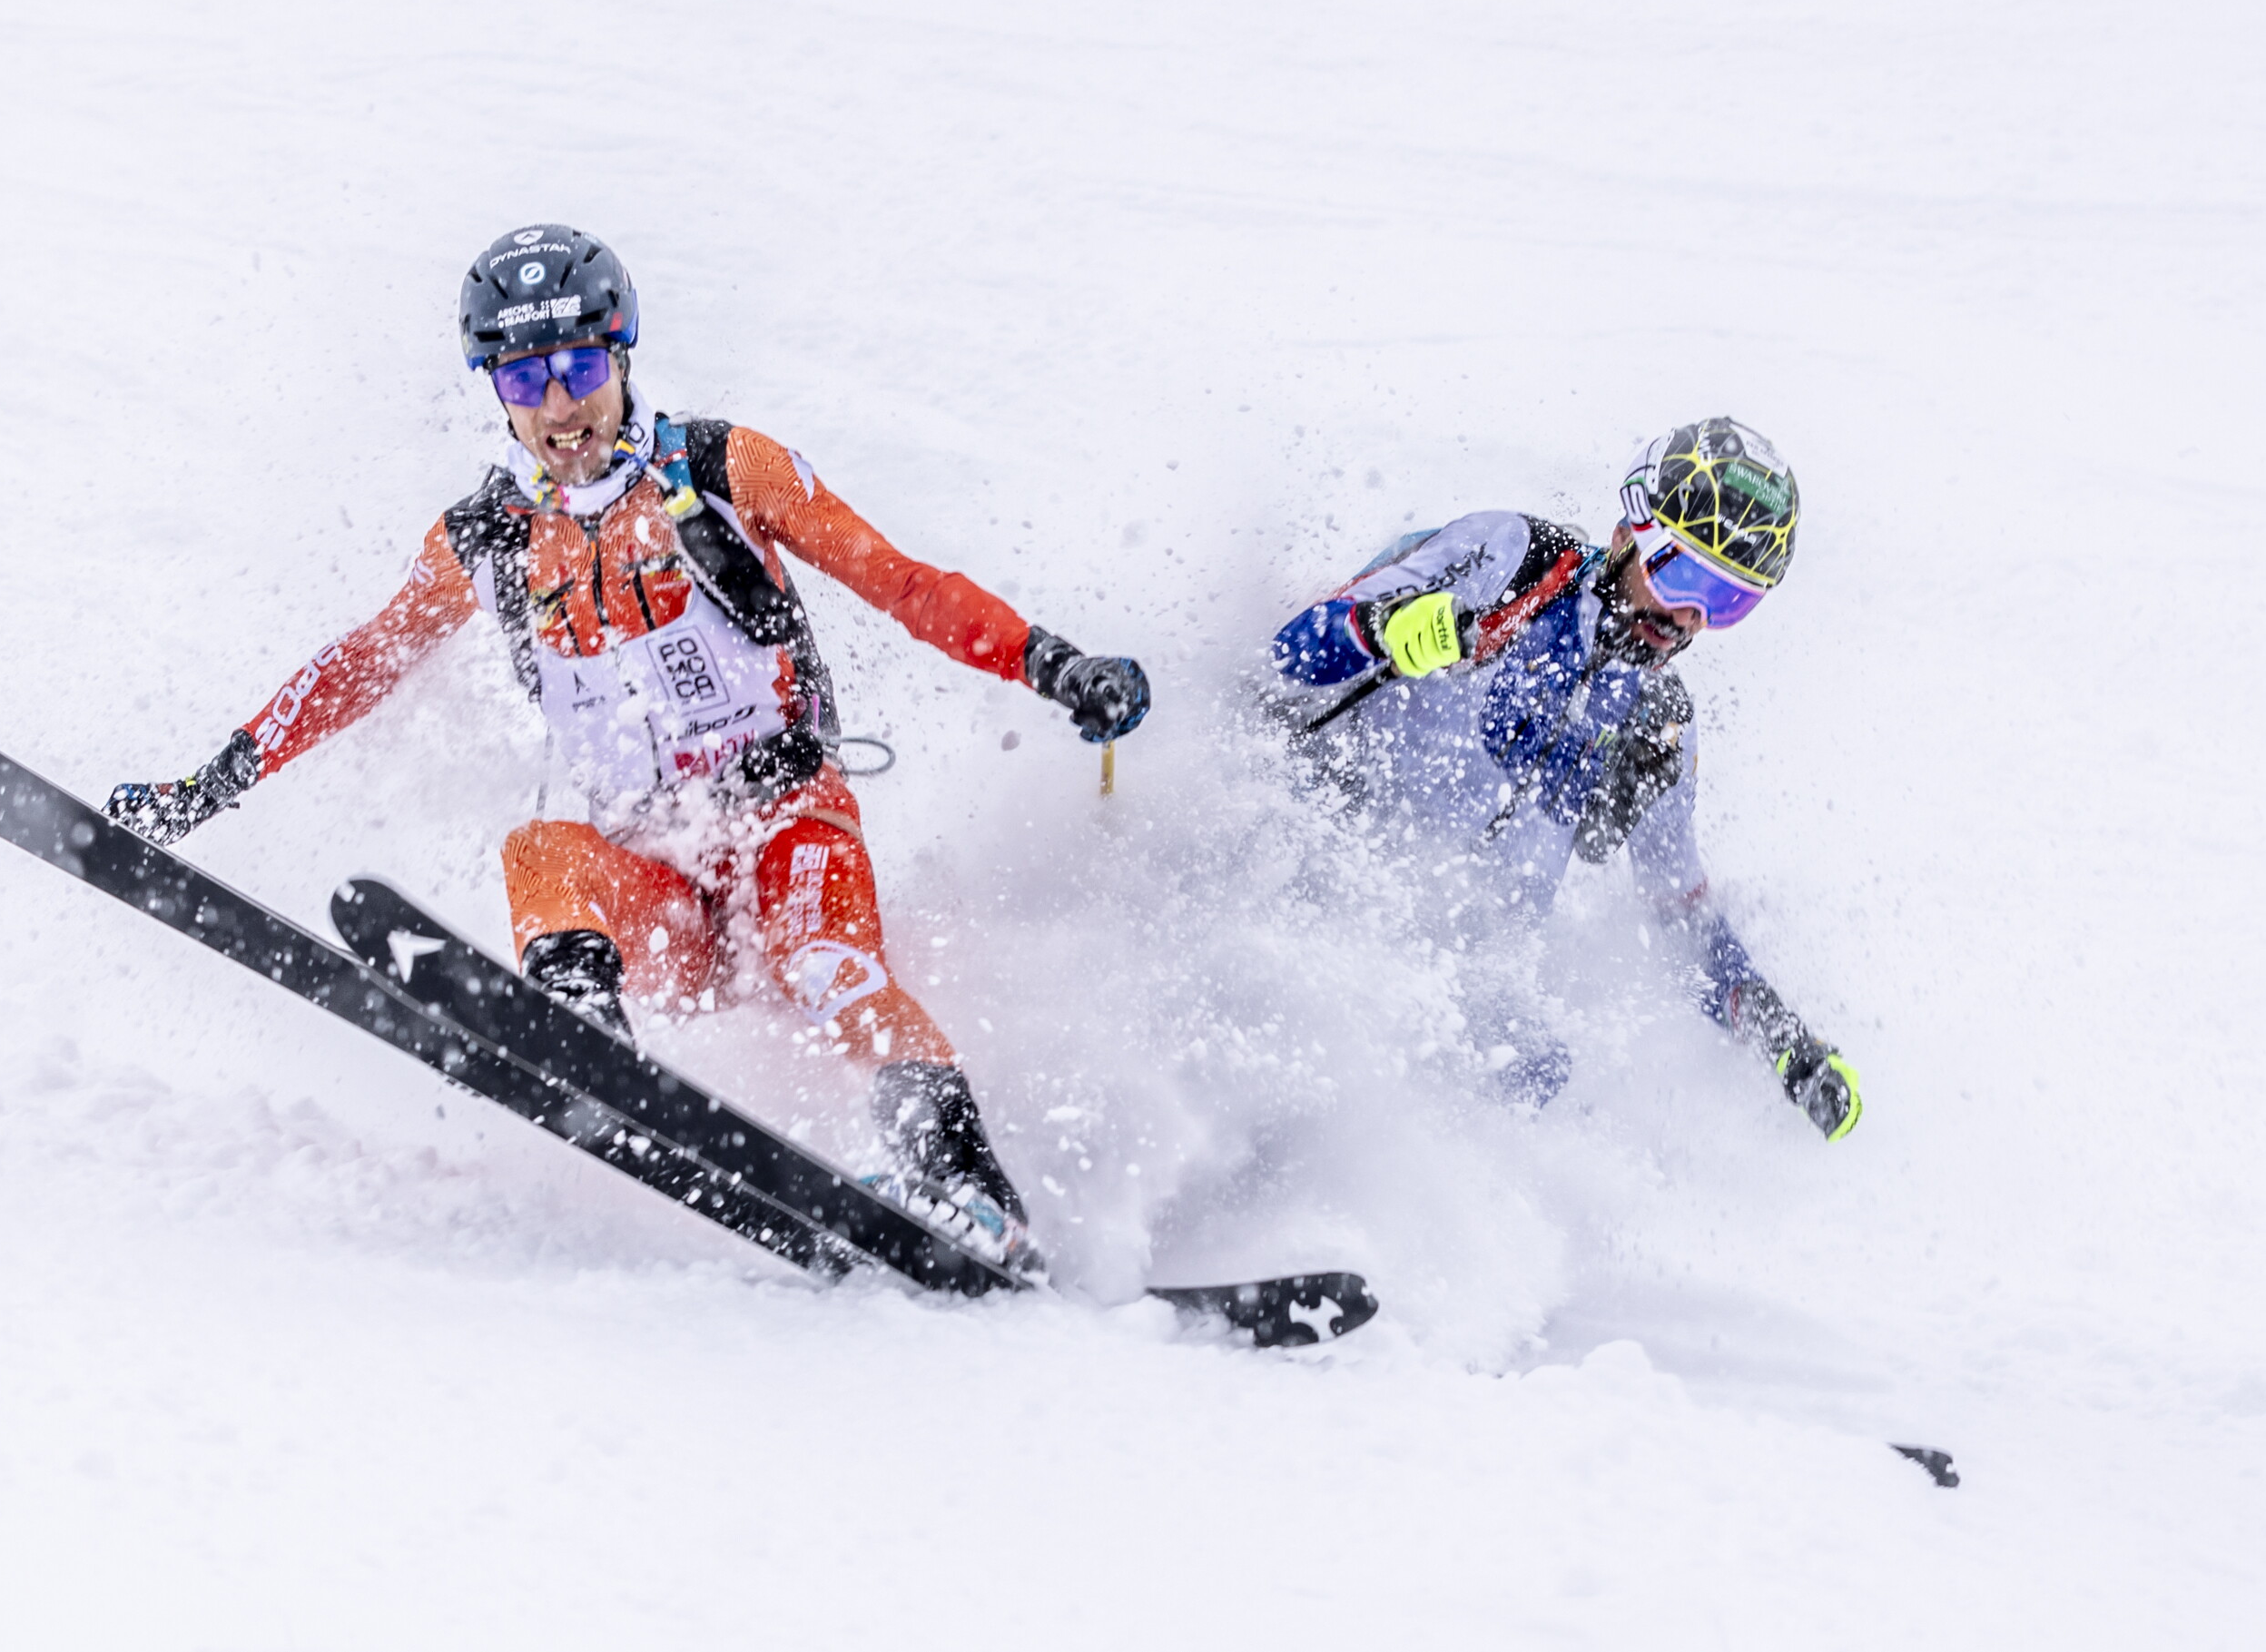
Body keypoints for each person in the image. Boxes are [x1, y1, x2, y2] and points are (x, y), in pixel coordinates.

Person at [105, 224, 1149, 1264]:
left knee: (827, 964)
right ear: (496, 392)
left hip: (788, 826)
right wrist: (213, 784)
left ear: (622, 353)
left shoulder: (722, 467)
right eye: (524, 381)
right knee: (539, 853)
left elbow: (904, 585)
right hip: (660, 882)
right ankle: (586, 1031)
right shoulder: (490, 537)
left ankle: (964, 1182)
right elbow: (362, 664)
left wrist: (1054, 665)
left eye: (579, 367)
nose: (560, 407)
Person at [1262, 418, 1859, 1140]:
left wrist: (1781, 1037)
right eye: (1684, 577)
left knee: (1533, 1071)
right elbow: (1290, 653)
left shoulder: (1657, 729)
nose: (1689, 619)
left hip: (1446, 971)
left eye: (1729, 601)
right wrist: (1387, 627)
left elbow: (1680, 921)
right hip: (1310, 861)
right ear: (1625, 536)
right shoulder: (1512, 561)